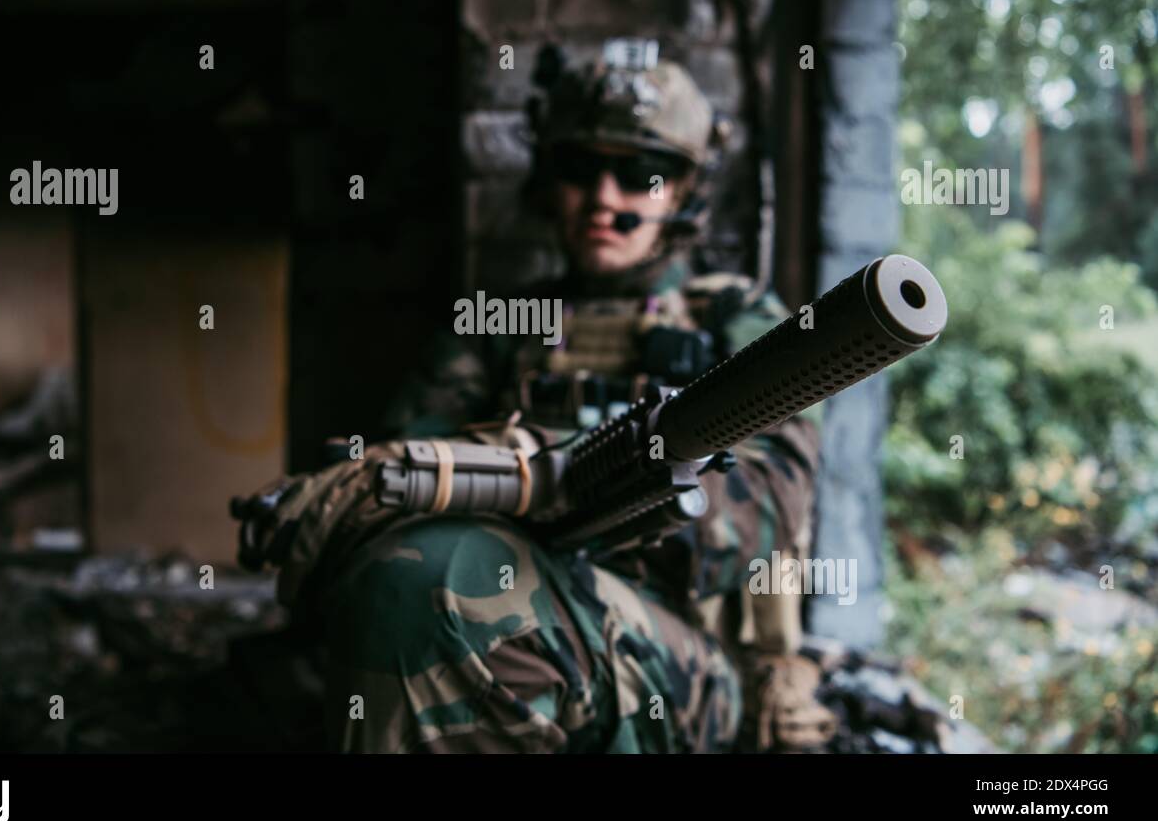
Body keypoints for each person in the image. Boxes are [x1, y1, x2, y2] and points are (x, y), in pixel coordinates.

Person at [254, 40, 836, 752]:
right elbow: (405, 477)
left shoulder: (739, 323)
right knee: (403, 579)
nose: (604, 199)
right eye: (578, 169)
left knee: (442, 589)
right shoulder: (503, 323)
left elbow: (755, 519)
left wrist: (540, 476)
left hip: (680, 653)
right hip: (505, 597)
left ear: (683, 190)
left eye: (641, 175)